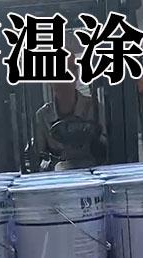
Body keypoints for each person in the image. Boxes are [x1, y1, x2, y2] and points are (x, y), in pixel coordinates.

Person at [34, 33, 105, 171]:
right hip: (58, 180)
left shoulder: (94, 109)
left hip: (94, 176)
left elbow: (109, 151)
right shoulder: (43, 116)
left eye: (72, 69)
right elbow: (38, 158)